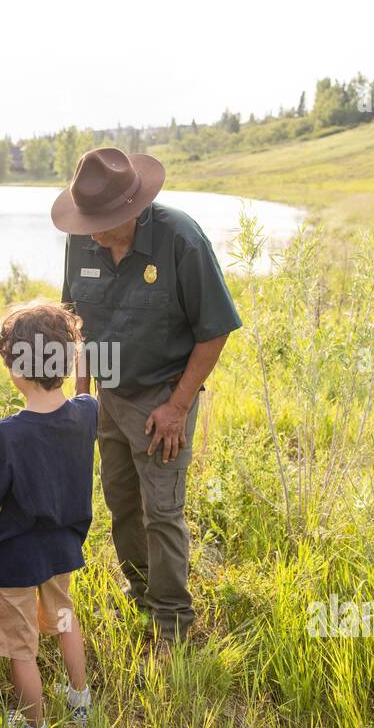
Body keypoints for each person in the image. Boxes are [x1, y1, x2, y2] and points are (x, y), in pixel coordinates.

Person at [54, 148, 242, 644]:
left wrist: (177, 407)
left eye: (101, 220)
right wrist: (82, 397)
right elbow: (76, 321)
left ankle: (172, 624)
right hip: (107, 396)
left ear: (132, 210)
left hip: (163, 395)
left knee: (162, 509)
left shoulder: (182, 239)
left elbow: (215, 330)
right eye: (86, 219)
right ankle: (141, 600)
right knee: (120, 503)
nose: (91, 230)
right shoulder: (82, 237)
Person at [0, 304, 95, 728]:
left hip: (15, 559)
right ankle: (80, 699)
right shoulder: (88, 413)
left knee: (21, 647)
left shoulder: (3, 435)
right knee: (63, 618)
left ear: (17, 368)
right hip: (61, 551)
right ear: (67, 361)